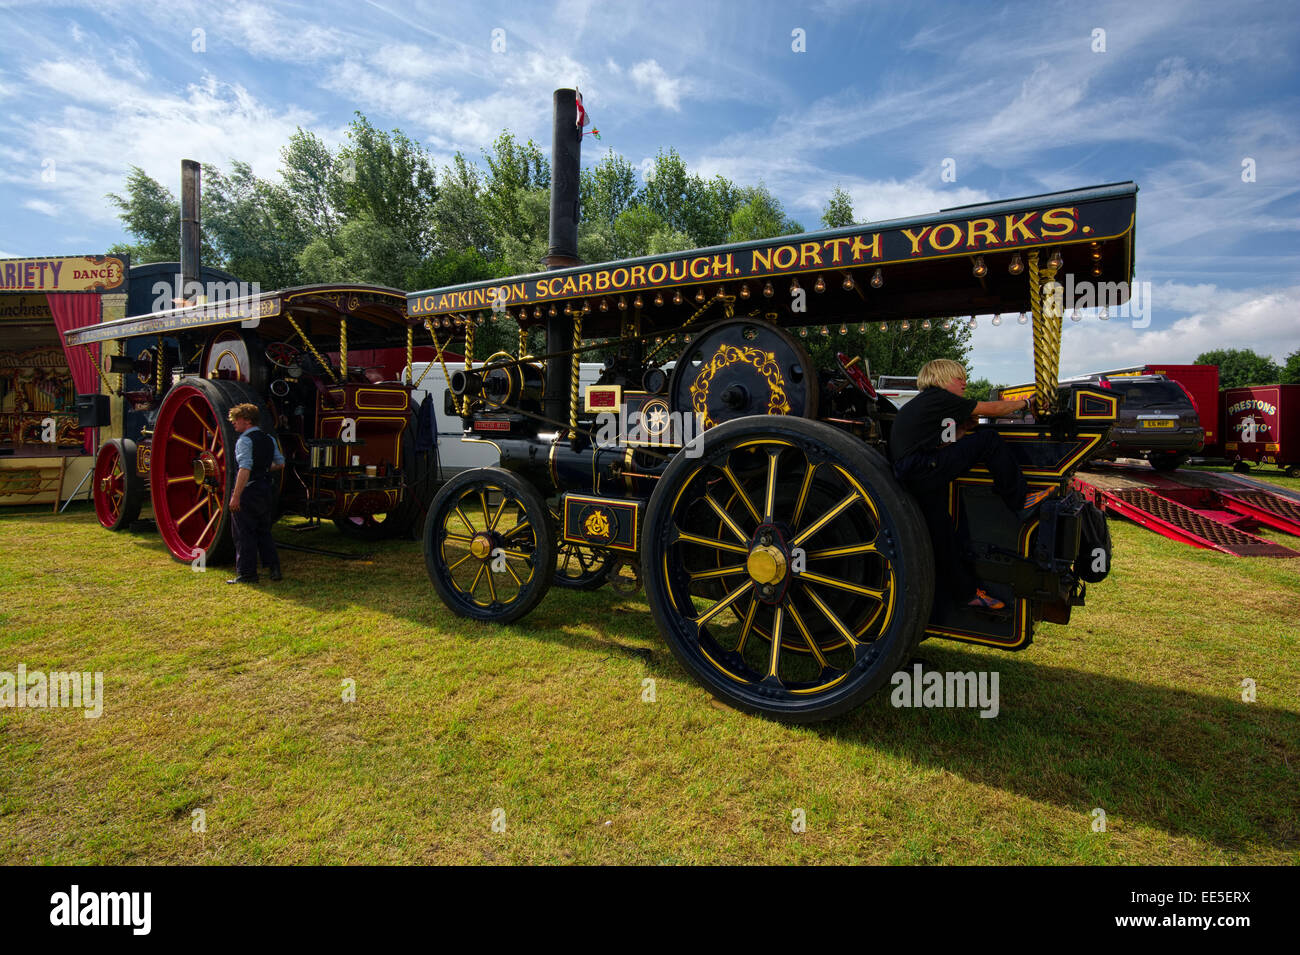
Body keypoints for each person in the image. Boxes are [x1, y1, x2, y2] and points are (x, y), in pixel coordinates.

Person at [889, 359, 1053, 612]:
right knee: (988, 438)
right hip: (921, 467)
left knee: (943, 536)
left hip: (914, 472)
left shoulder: (928, 403)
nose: (965, 383)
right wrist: (1027, 403)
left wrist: (964, 430)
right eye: (959, 378)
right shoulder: (939, 397)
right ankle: (1019, 500)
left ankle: (964, 594)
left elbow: (944, 444)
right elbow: (993, 409)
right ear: (942, 379)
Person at [226, 402, 285, 584]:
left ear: (246, 420)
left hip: (249, 490)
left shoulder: (244, 440)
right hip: (265, 488)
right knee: (264, 531)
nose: (234, 424)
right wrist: (263, 468)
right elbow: (280, 463)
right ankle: (274, 568)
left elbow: (244, 469)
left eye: (236, 420)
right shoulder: (269, 439)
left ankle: (247, 573)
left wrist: (236, 496)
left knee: (244, 533)